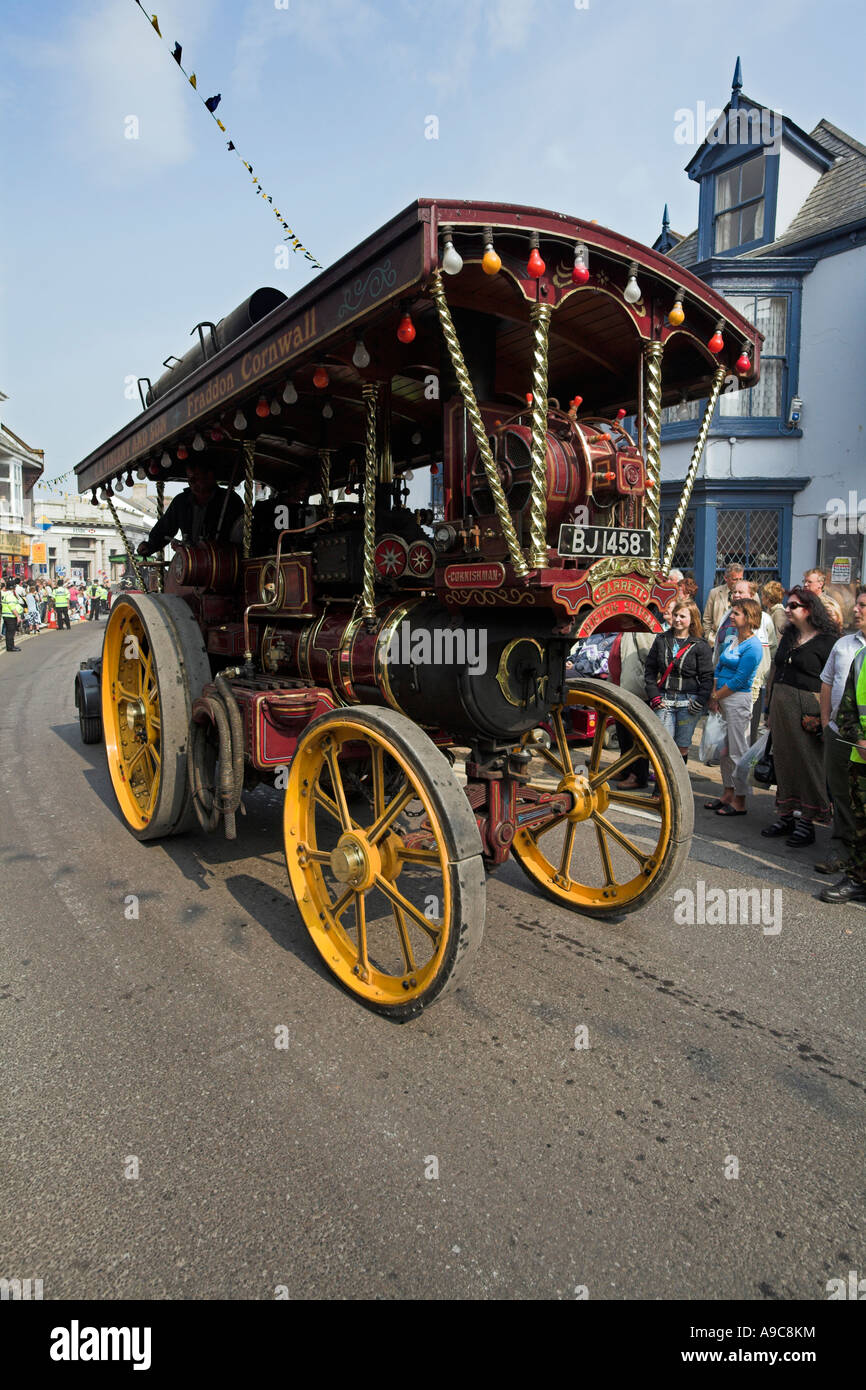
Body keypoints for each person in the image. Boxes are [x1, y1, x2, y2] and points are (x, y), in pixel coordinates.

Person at [761, 586, 840, 846]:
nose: (787, 608)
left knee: (808, 763)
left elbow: (834, 681)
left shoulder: (828, 641)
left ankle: (807, 822)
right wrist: (769, 708)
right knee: (784, 760)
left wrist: (826, 717)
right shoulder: (789, 635)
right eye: (787, 604)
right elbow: (775, 670)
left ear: (809, 609)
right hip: (782, 706)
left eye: (793, 605)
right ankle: (786, 816)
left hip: (809, 708)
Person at [816, 588, 866, 875]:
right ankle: (842, 852)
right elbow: (826, 682)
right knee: (841, 795)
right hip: (840, 733)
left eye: (863, 605)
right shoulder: (845, 645)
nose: (856, 610)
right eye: (856, 604)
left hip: (862, 740)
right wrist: (825, 722)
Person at [704, 597, 763, 816]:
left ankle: (740, 800)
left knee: (739, 751)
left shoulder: (753, 646)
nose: (731, 616)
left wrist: (717, 695)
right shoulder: (734, 640)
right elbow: (719, 666)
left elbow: (740, 680)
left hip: (738, 700)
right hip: (722, 696)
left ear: (749, 617)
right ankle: (727, 793)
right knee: (724, 751)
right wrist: (715, 695)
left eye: (737, 613)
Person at [644, 601, 713, 764]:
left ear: (692, 619)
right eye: (675, 615)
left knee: (682, 746)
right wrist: (654, 696)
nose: (677, 619)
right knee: (662, 746)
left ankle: (678, 787)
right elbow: (650, 670)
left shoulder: (700, 645)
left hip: (688, 703)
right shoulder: (661, 639)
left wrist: (701, 701)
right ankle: (661, 788)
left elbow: (707, 676)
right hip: (664, 700)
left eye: (682, 616)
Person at [715, 578, 777, 743]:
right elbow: (719, 644)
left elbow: (770, 651)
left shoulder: (763, 620)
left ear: (752, 594)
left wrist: (760, 679)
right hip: (724, 682)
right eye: (734, 591)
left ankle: (745, 765)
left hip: (748, 686)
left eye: (740, 592)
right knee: (728, 736)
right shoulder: (727, 616)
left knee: (744, 735)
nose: (735, 595)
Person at [137, 463, 244, 557]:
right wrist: (150, 545)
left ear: (209, 476)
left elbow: (241, 534)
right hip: (192, 565)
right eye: (189, 479)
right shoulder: (181, 501)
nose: (191, 482)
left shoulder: (230, 500)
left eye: (196, 477)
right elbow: (165, 527)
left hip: (223, 566)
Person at [609, 628, 656, 790]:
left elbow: (650, 657)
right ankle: (625, 769)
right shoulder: (624, 630)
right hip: (619, 689)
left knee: (636, 736)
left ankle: (638, 776)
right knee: (624, 736)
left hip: (635, 691)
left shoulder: (640, 630)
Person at [702, 563, 744, 645]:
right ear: (726, 578)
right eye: (735, 579)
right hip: (717, 641)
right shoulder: (714, 593)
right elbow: (707, 619)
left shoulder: (751, 594)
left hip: (740, 641)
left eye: (741, 579)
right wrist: (709, 638)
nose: (739, 582)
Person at [761, 580, 787, 645]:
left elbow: (780, 637)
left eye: (763, 595)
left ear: (768, 597)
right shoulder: (769, 610)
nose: (761, 598)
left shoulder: (779, 613)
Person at [1, 583, 23, 652]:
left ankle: (10, 646)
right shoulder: (10, 596)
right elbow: (12, 607)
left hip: (6, 615)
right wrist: (18, 616)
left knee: (8, 632)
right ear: (13, 588)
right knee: (11, 632)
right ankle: (11, 647)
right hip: (10, 616)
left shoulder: (4, 594)